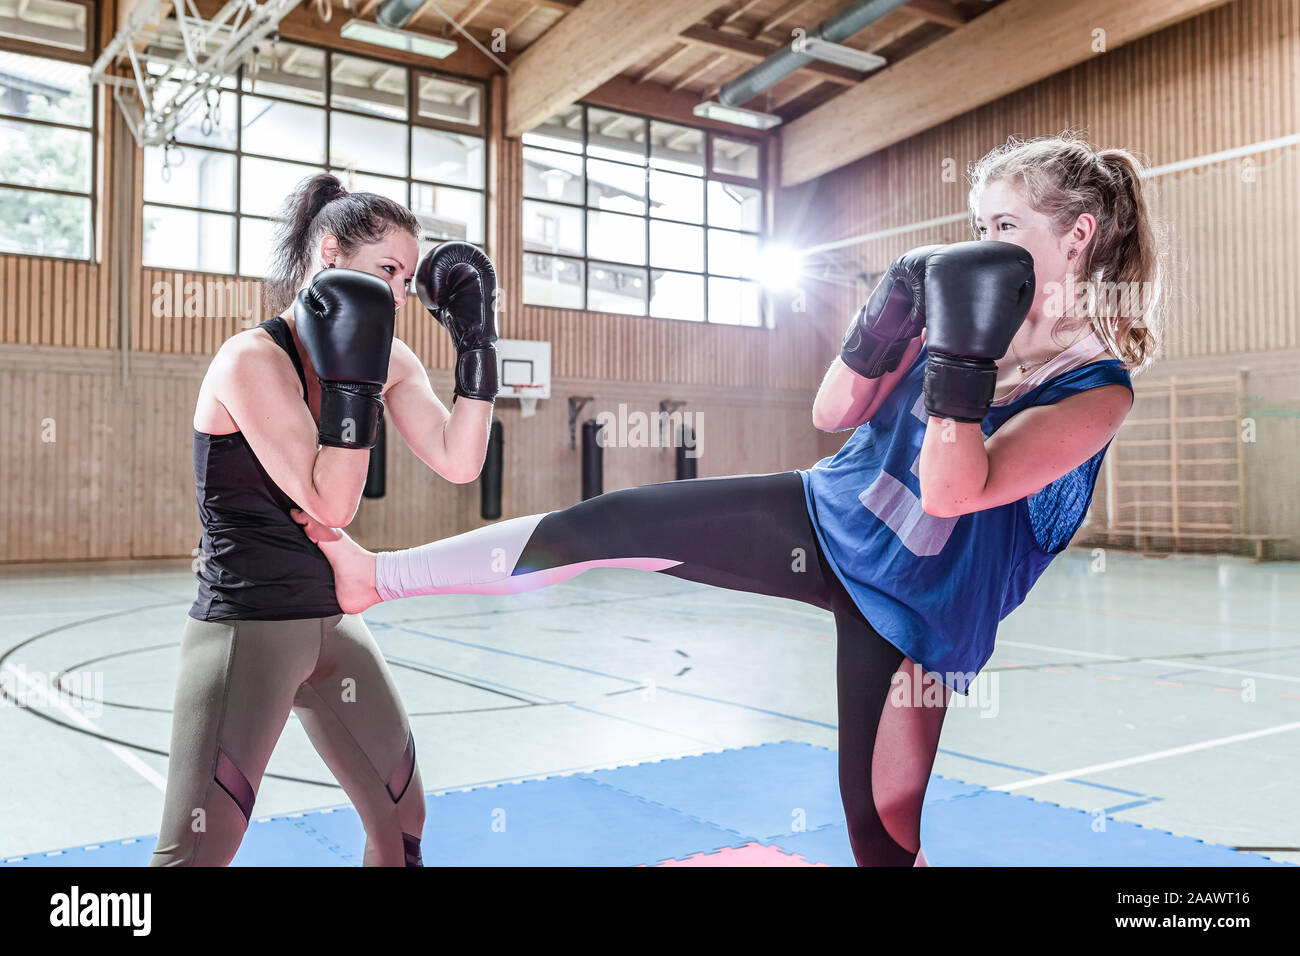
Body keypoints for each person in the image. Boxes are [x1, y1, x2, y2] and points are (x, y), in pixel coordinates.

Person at [293, 135, 1167, 866]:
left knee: (881, 833)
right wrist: (893, 313)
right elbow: (833, 412)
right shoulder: (953, 307)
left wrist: (963, 356)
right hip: (828, 516)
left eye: (1005, 225)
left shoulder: (1097, 390)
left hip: (920, 611)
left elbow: (952, 488)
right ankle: (379, 575)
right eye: (979, 225)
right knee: (609, 523)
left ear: (1078, 235)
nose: (982, 244)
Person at [150, 172, 499, 866]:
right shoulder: (251, 359)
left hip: (332, 622)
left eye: (409, 279)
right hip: (248, 629)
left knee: (402, 824)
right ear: (331, 255)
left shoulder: (390, 360)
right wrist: (352, 382)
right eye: (388, 271)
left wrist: (478, 349)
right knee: (194, 855)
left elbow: (461, 461)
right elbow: (331, 504)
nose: (401, 294)